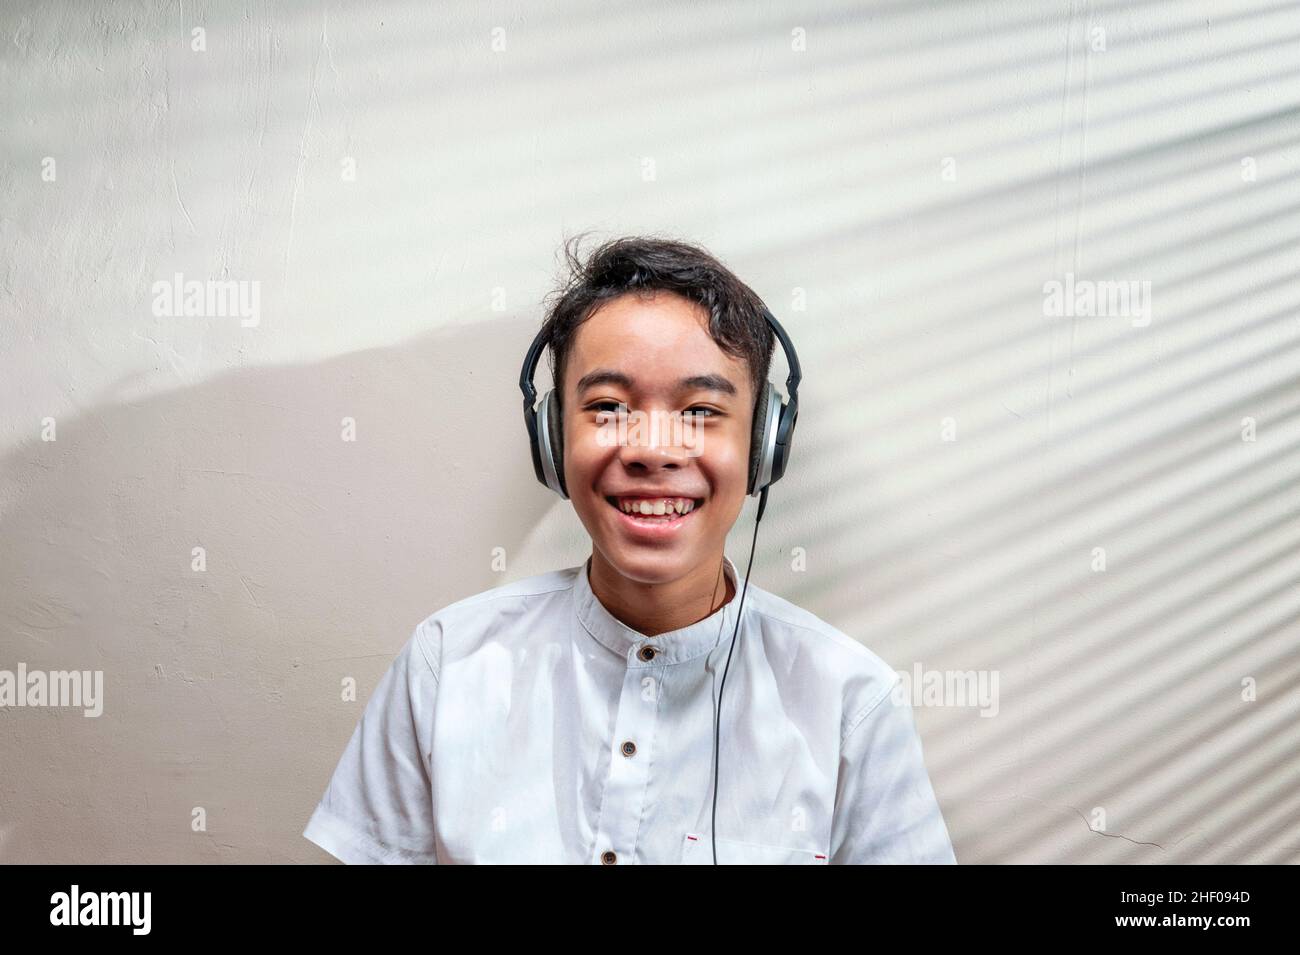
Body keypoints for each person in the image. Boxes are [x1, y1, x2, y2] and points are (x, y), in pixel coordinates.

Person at [302, 235, 956, 864]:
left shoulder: (849, 703)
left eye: (700, 411)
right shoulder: (447, 665)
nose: (652, 448)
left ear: (762, 444)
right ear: (555, 439)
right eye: (609, 405)